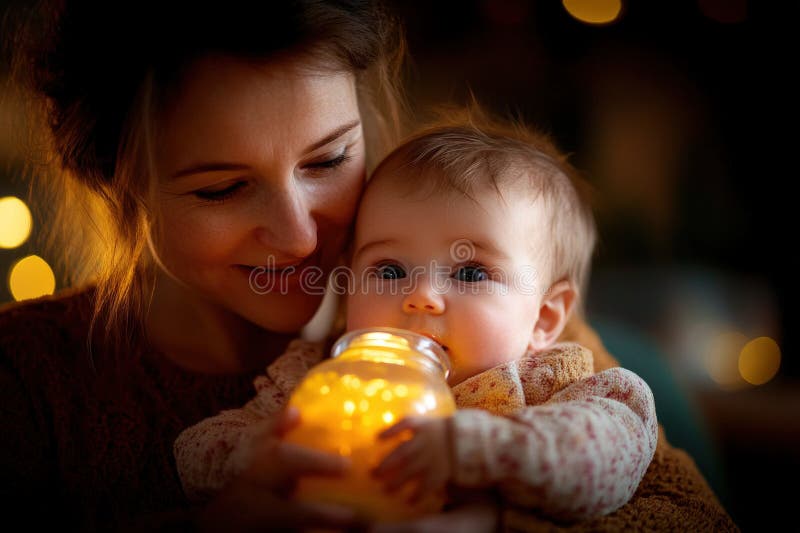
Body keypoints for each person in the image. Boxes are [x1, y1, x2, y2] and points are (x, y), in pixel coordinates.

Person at [0, 0, 737, 531]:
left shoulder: (527, 340)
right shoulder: (26, 380)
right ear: (115, 180)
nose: (296, 238)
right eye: (222, 187)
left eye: (328, 159)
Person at [174, 113, 660, 523]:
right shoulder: (316, 378)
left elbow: (609, 459)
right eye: (389, 270)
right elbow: (196, 452)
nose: (422, 297)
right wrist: (255, 457)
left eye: (470, 273)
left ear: (544, 318)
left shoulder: (552, 387)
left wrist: (473, 450)